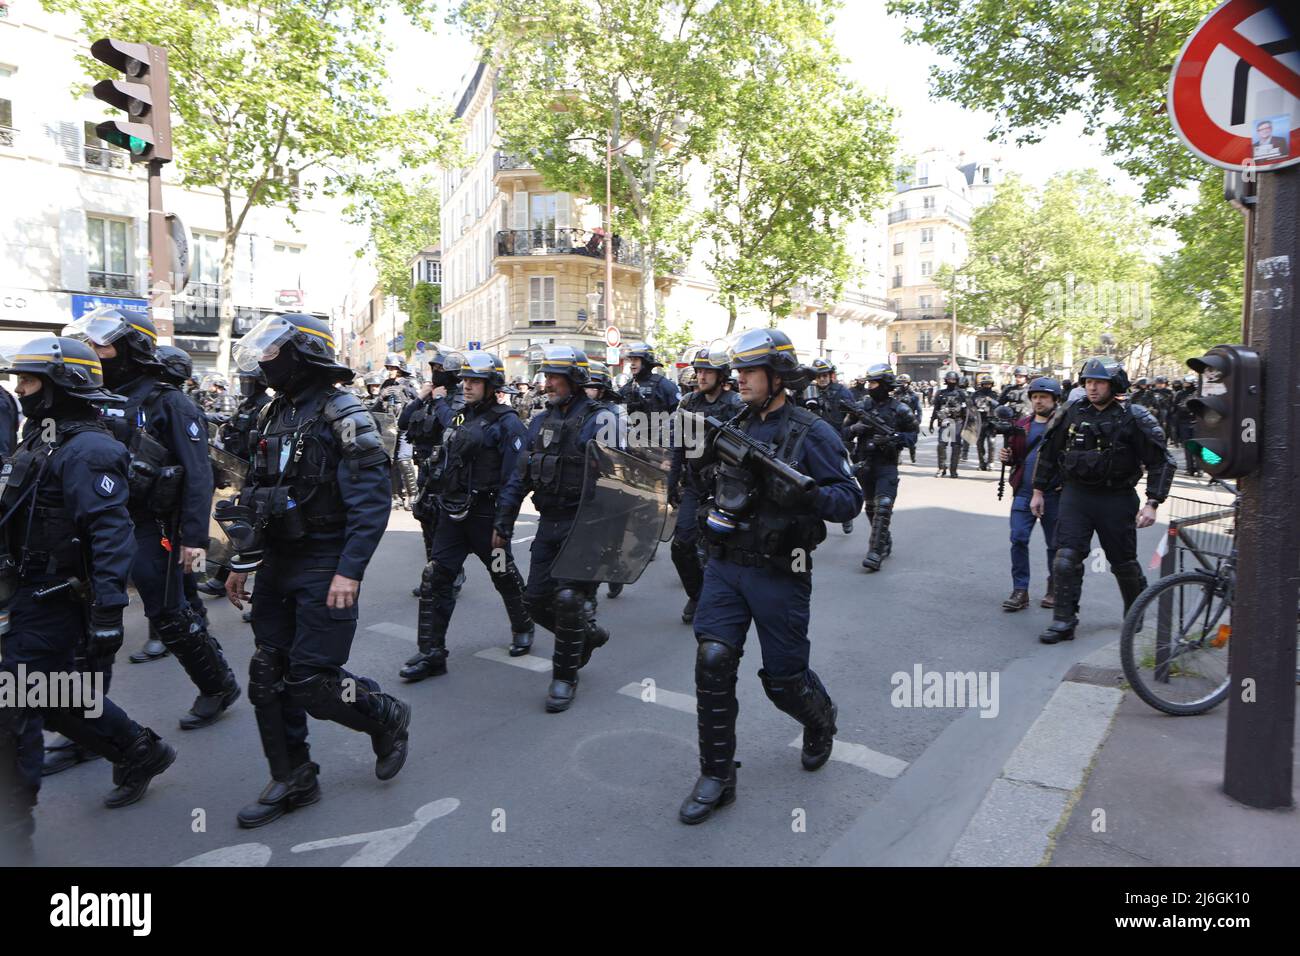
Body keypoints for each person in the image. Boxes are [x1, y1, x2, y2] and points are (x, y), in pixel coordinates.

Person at [222, 314, 410, 828]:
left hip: (325, 560)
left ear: (301, 355)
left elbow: (371, 502)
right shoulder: (271, 413)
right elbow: (256, 495)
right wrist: (241, 561)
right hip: (279, 560)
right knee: (268, 671)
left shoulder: (344, 413)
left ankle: (384, 714)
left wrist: (350, 570)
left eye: (273, 351)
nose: (265, 361)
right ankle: (294, 777)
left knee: (312, 679)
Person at [1, 336, 177, 864]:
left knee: (14, 707)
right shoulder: (43, 437)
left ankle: (14, 834)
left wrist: (106, 613)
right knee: (52, 695)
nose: (20, 389)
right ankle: (139, 749)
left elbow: (110, 534)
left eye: (29, 380)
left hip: (55, 599)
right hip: (26, 591)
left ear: (62, 385)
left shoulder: (89, 450)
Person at [680, 328, 862, 825]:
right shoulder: (732, 423)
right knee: (713, 660)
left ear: (777, 376)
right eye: (737, 371)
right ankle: (717, 776)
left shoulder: (812, 432)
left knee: (784, 680)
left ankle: (819, 720)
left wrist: (807, 494)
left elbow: (850, 498)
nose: (738, 379)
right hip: (726, 563)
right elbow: (703, 479)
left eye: (749, 371)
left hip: (782, 569)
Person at [63, 308, 240, 728]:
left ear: (132, 346)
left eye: (103, 343)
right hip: (100, 523)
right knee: (89, 617)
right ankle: (86, 723)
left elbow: (199, 473)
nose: (93, 350)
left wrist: (194, 540)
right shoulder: (93, 397)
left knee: (168, 613)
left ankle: (216, 685)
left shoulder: (169, 401)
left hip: (152, 526)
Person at [493, 346, 618, 713]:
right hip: (550, 523)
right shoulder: (539, 422)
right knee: (534, 600)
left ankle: (564, 677)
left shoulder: (602, 419)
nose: (546, 383)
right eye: (546, 376)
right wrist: (503, 521)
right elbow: (520, 476)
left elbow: (618, 479)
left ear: (574, 380)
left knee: (568, 600)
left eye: (554, 377)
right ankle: (587, 635)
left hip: (586, 525)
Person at [404, 351, 533, 679]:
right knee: (436, 577)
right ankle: (431, 653)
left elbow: (515, 479)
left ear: (492, 385)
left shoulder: (508, 423)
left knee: (503, 573)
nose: (467, 385)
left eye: (475, 381)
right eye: (465, 380)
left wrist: (504, 522)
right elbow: (446, 459)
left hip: (486, 517)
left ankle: (523, 626)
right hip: (452, 514)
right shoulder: (461, 417)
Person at [1031, 358, 1177, 644]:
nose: (1092, 387)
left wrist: (1153, 502)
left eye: (1099, 382)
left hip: (1116, 498)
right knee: (1065, 559)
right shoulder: (1071, 412)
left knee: (1123, 562)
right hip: (1076, 496)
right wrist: (1038, 491)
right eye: (1088, 382)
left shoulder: (1134, 416)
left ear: (1114, 385)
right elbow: (1048, 453)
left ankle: (1134, 615)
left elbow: (1161, 461)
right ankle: (1063, 621)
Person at [668, 346, 742, 624]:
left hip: (726, 487)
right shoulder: (688, 402)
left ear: (721, 375)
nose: (701, 376)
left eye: (707, 371)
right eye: (699, 371)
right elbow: (678, 445)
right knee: (681, 544)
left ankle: (722, 602)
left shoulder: (737, 404)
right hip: (695, 484)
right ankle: (697, 594)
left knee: (719, 549)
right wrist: (671, 482)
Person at [845, 364, 917, 572]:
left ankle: (875, 552)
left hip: (887, 463)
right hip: (864, 463)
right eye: (869, 383)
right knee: (870, 507)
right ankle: (884, 541)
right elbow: (844, 431)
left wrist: (893, 438)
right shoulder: (861, 406)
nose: (870, 386)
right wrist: (856, 428)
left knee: (883, 504)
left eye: (874, 383)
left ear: (885, 385)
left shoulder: (901, 409)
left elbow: (912, 436)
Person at [998, 377, 1062, 611]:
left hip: (1054, 495)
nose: (1038, 401)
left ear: (1054, 399)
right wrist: (1007, 457)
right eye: (1035, 397)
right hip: (1023, 494)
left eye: (1043, 397)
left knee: (1055, 544)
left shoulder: (1063, 426)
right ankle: (1020, 590)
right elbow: (1016, 456)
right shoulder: (1022, 424)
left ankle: (1054, 588)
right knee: (1018, 538)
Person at [618, 342, 680, 418]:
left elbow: (677, 414)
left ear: (646, 361)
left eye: (636, 360)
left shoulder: (664, 385)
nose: (632, 364)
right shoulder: (627, 388)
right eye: (631, 360)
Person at [929, 371, 969, 478]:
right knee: (941, 445)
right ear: (946, 380)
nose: (951, 381)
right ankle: (941, 468)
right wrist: (931, 422)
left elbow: (967, 410)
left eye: (953, 380)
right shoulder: (941, 393)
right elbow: (936, 408)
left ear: (957, 381)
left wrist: (967, 425)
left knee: (956, 446)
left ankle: (953, 470)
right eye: (949, 379)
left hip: (957, 421)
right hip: (946, 422)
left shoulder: (962, 394)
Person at [970, 373, 1000, 470]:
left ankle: (991, 462)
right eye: (985, 384)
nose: (987, 386)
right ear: (982, 384)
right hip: (979, 421)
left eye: (989, 384)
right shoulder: (976, 394)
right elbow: (971, 405)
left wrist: (990, 400)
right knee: (979, 443)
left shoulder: (994, 394)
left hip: (991, 421)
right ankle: (981, 462)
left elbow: (999, 405)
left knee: (991, 442)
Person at [893, 374, 922, 464]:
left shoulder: (913, 395)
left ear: (908, 383)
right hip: (898, 420)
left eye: (904, 382)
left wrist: (918, 420)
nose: (902, 384)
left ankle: (912, 454)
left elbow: (919, 409)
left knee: (911, 441)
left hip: (910, 420)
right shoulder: (895, 394)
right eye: (900, 382)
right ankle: (898, 456)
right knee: (896, 439)